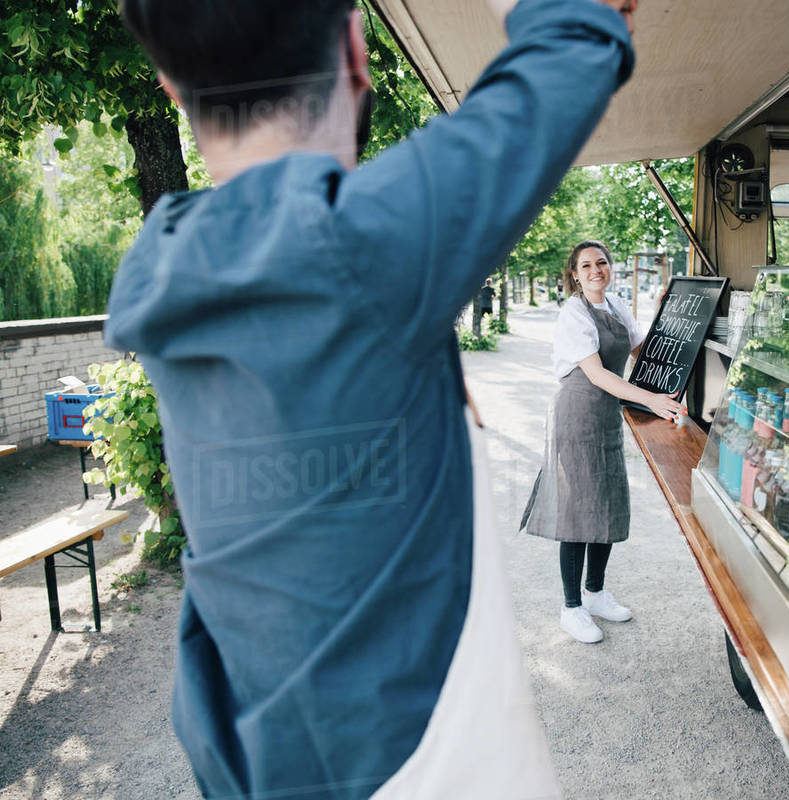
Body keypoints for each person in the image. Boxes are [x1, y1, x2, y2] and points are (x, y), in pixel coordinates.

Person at [103, 1, 636, 798]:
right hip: (413, 760)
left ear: (170, 89)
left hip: (247, 755)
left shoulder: (160, 262)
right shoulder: (362, 244)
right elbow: (572, 46)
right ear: (357, 50)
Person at [520, 240, 684, 643]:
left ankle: (595, 593)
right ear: (574, 274)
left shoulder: (618, 306)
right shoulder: (574, 313)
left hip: (607, 415)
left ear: (612, 268)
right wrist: (651, 400)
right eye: (587, 265)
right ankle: (571, 607)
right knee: (579, 512)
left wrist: (675, 321)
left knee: (607, 503)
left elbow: (642, 350)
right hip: (576, 416)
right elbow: (597, 374)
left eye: (603, 263)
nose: (596, 270)